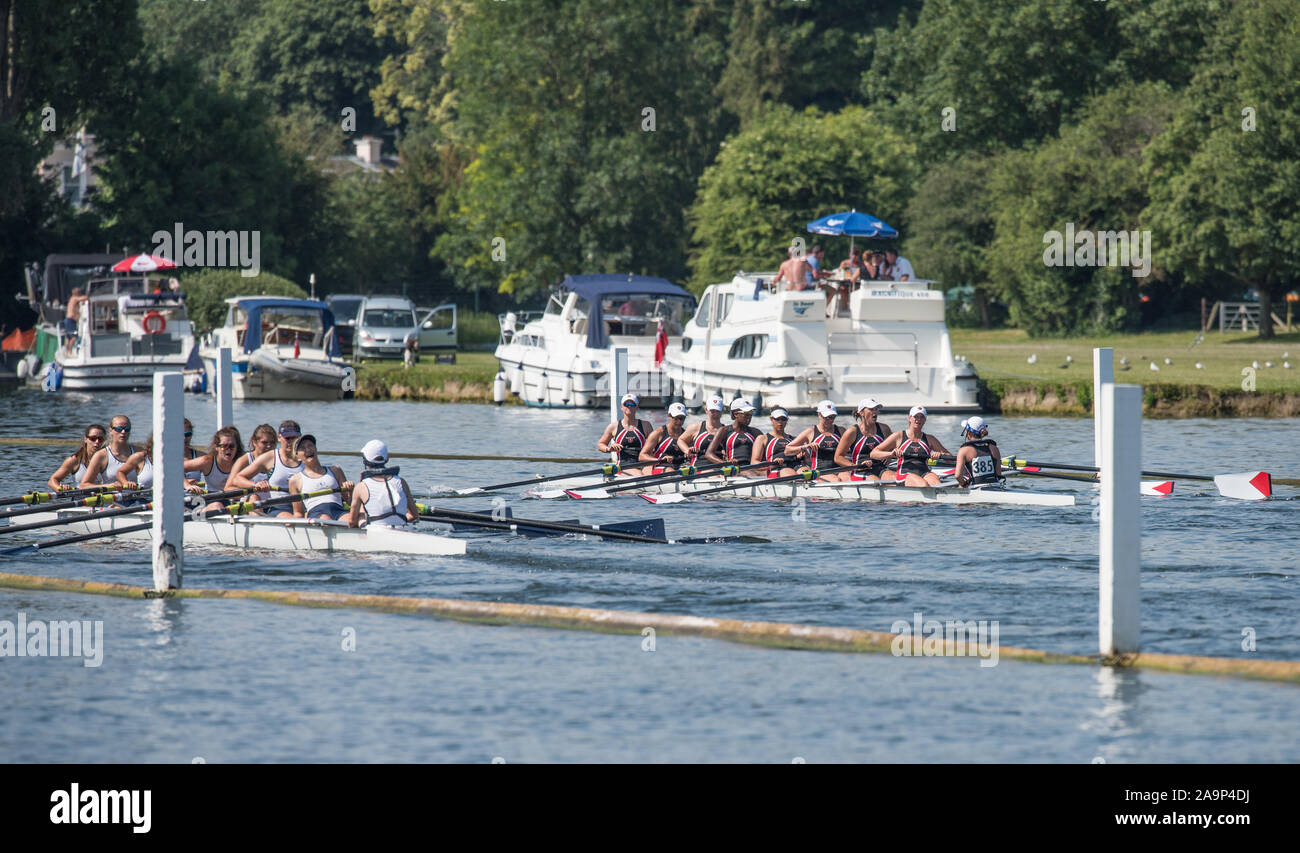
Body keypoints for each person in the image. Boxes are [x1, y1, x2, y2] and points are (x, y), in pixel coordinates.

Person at [230, 420, 306, 515]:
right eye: (288, 438)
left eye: (294, 438)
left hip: (304, 505)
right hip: (280, 507)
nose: (291, 442)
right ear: (279, 438)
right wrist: (255, 485)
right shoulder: (269, 457)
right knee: (254, 498)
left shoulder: (307, 456)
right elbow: (237, 479)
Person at [870, 405, 953, 487]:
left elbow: (950, 459)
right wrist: (891, 454)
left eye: (922, 417)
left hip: (924, 472)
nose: (918, 419)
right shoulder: (898, 436)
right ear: (910, 418)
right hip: (904, 474)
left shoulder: (930, 439)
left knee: (937, 484)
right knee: (923, 484)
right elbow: (873, 453)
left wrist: (940, 455)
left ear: (925, 420)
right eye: (916, 416)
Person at [347, 440, 418, 528]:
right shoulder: (402, 482)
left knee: (361, 509)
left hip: (376, 532)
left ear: (364, 460)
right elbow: (414, 516)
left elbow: (351, 522)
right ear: (387, 459)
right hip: (402, 529)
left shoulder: (361, 487)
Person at [288, 434, 354, 521]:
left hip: (338, 510)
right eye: (303, 448)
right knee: (325, 519)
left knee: (351, 519)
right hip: (316, 513)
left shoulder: (336, 470)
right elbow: (298, 513)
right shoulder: (295, 480)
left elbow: (350, 501)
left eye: (310, 445)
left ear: (316, 449)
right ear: (297, 456)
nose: (308, 449)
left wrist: (351, 490)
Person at [833, 398, 893, 482]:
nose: (875, 412)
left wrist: (889, 456)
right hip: (860, 471)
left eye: (876, 409)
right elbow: (838, 457)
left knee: (893, 478)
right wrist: (856, 465)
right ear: (861, 413)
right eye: (871, 409)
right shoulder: (852, 431)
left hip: (881, 468)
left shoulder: (884, 428)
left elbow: (893, 446)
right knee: (876, 481)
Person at [187, 426, 244, 510]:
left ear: (237, 447)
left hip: (233, 500)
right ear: (216, 447)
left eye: (232, 446)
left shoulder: (242, 462)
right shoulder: (207, 461)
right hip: (211, 500)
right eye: (224, 446)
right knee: (218, 505)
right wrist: (187, 485)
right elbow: (176, 468)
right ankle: (198, 512)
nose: (228, 450)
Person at [787, 400, 845, 479]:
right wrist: (806, 446)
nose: (830, 420)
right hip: (819, 471)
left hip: (839, 469)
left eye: (832, 417)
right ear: (819, 415)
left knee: (847, 478)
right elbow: (787, 450)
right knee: (835, 480)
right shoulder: (810, 432)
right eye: (826, 417)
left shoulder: (841, 430)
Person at [597, 393, 654, 469]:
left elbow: (655, 446)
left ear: (637, 407)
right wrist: (609, 448)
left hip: (643, 464)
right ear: (621, 407)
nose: (629, 406)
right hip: (623, 466)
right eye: (626, 404)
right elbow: (600, 444)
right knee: (639, 474)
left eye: (632, 404)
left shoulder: (646, 425)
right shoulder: (613, 427)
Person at [80, 415, 138, 487]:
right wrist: (109, 486)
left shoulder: (139, 452)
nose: (123, 432)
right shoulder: (101, 456)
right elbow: (84, 485)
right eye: (119, 429)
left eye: (127, 429)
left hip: (138, 497)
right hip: (111, 496)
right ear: (111, 430)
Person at [704, 397, 762, 465]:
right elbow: (709, 454)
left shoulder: (756, 432)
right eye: (746, 414)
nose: (749, 417)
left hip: (752, 468)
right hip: (733, 469)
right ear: (735, 414)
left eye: (750, 413)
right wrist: (726, 463)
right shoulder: (724, 431)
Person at [48, 424, 107, 491]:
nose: (97, 442)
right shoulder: (74, 460)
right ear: (85, 439)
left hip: (105, 498)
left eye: (100, 439)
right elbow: (52, 480)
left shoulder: (110, 458)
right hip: (80, 498)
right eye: (93, 438)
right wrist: (60, 488)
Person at [639, 402, 690, 472]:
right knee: (672, 471)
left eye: (682, 418)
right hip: (660, 466)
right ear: (669, 415)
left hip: (680, 467)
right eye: (676, 418)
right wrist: (660, 460)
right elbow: (642, 456)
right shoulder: (658, 433)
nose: (679, 421)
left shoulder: (686, 434)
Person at [953, 416, 1002, 488]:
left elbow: (957, 476)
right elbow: (999, 474)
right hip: (995, 486)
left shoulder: (964, 450)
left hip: (976, 489)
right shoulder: (994, 448)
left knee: (961, 485)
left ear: (968, 432)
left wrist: (963, 484)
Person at [751, 407, 799, 478]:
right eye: (777, 419)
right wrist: (771, 464)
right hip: (775, 469)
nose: (780, 422)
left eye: (783, 419)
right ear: (771, 419)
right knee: (790, 473)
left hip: (794, 467)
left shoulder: (794, 439)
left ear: (787, 420)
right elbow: (754, 463)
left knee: (805, 471)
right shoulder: (762, 438)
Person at [680, 396, 726, 461]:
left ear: (722, 411)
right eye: (712, 411)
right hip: (699, 465)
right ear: (706, 410)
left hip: (719, 465)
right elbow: (681, 440)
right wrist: (687, 450)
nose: (715, 414)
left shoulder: (726, 431)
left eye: (717, 411)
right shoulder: (695, 427)